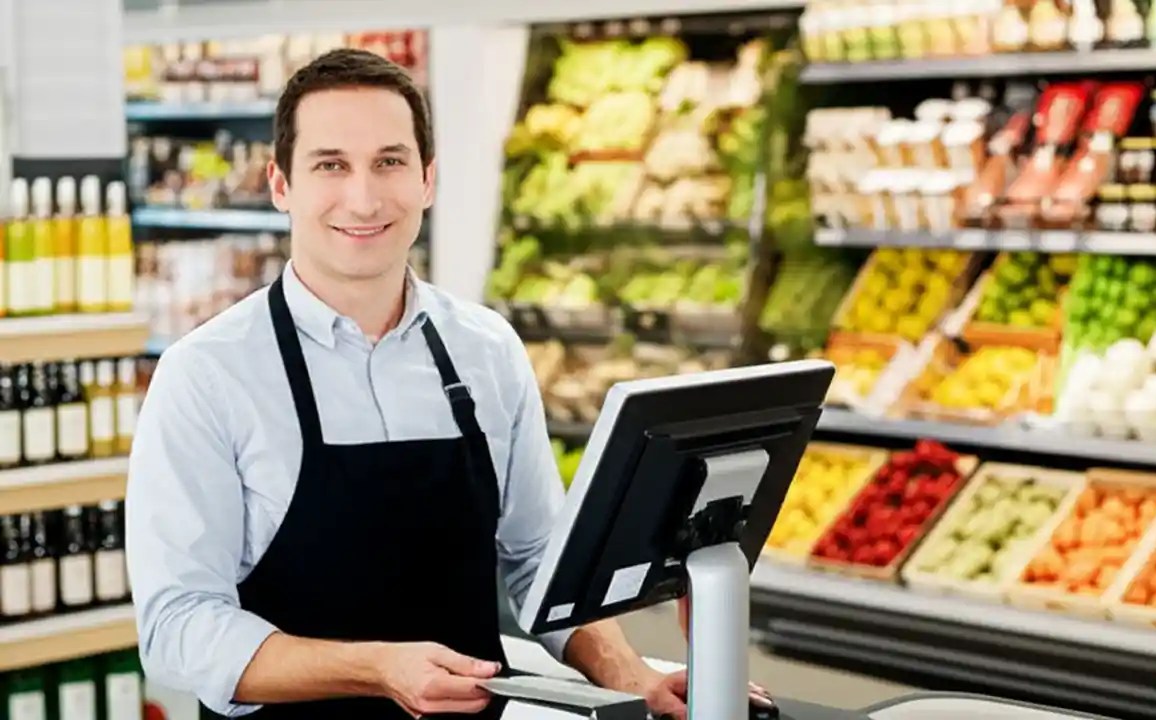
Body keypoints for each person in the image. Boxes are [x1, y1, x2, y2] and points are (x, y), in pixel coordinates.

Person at [125, 49, 767, 719]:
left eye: (390, 162)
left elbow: (537, 558)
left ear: (427, 179)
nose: (364, 197)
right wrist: (375, 668)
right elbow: (178, 626)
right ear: (280, 184)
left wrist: (625, 672)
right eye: (331, 165)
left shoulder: (485, 350)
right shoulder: (207, 374)